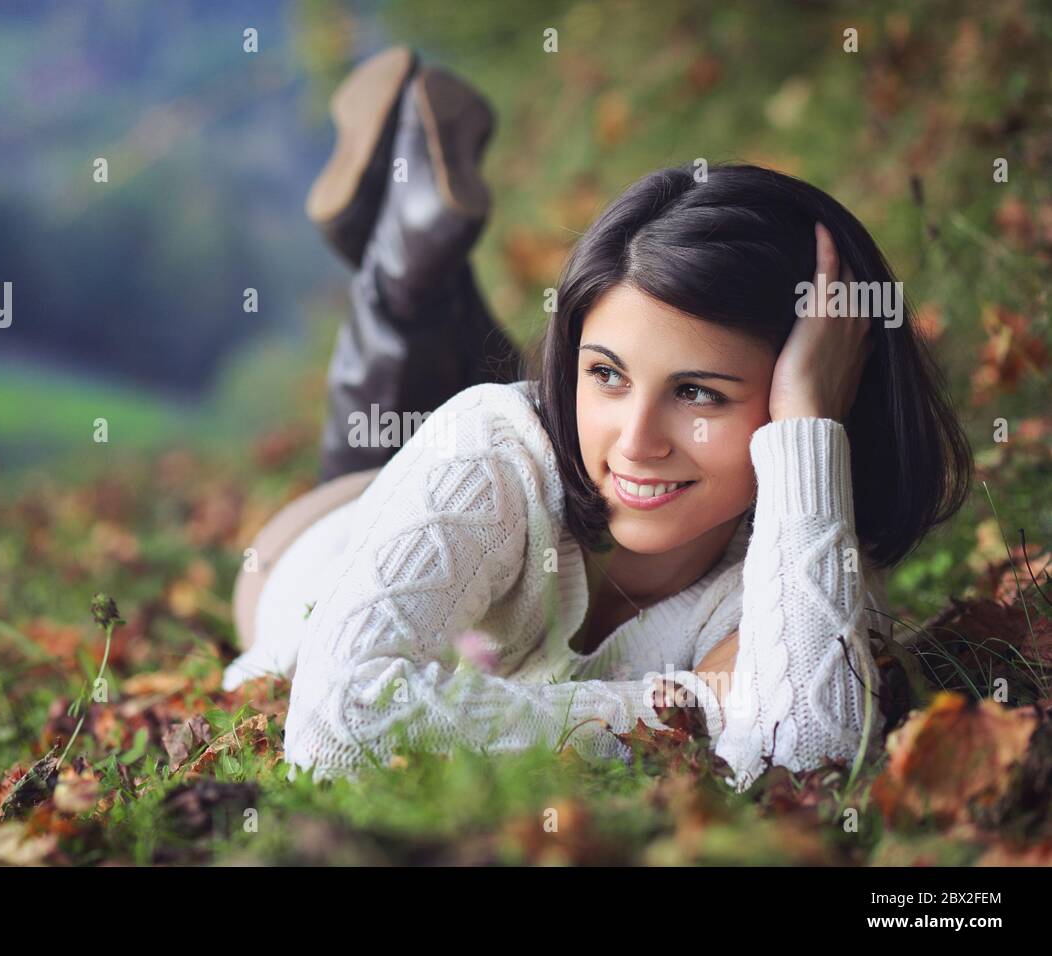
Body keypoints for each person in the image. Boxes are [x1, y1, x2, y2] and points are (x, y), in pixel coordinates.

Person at [226, 47, 972, 793]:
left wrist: (808, 428)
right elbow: (336, 728)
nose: (637, 442)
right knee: (480, 417)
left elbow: (808, 759)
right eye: (605, 372)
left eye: (698, 394)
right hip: (329, 531)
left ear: (815, 395)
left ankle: (419, 242)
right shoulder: (490, 445)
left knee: (475, 398)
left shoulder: (804, 559)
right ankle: (408, 258)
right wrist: (672, 706)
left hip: (500, 491)